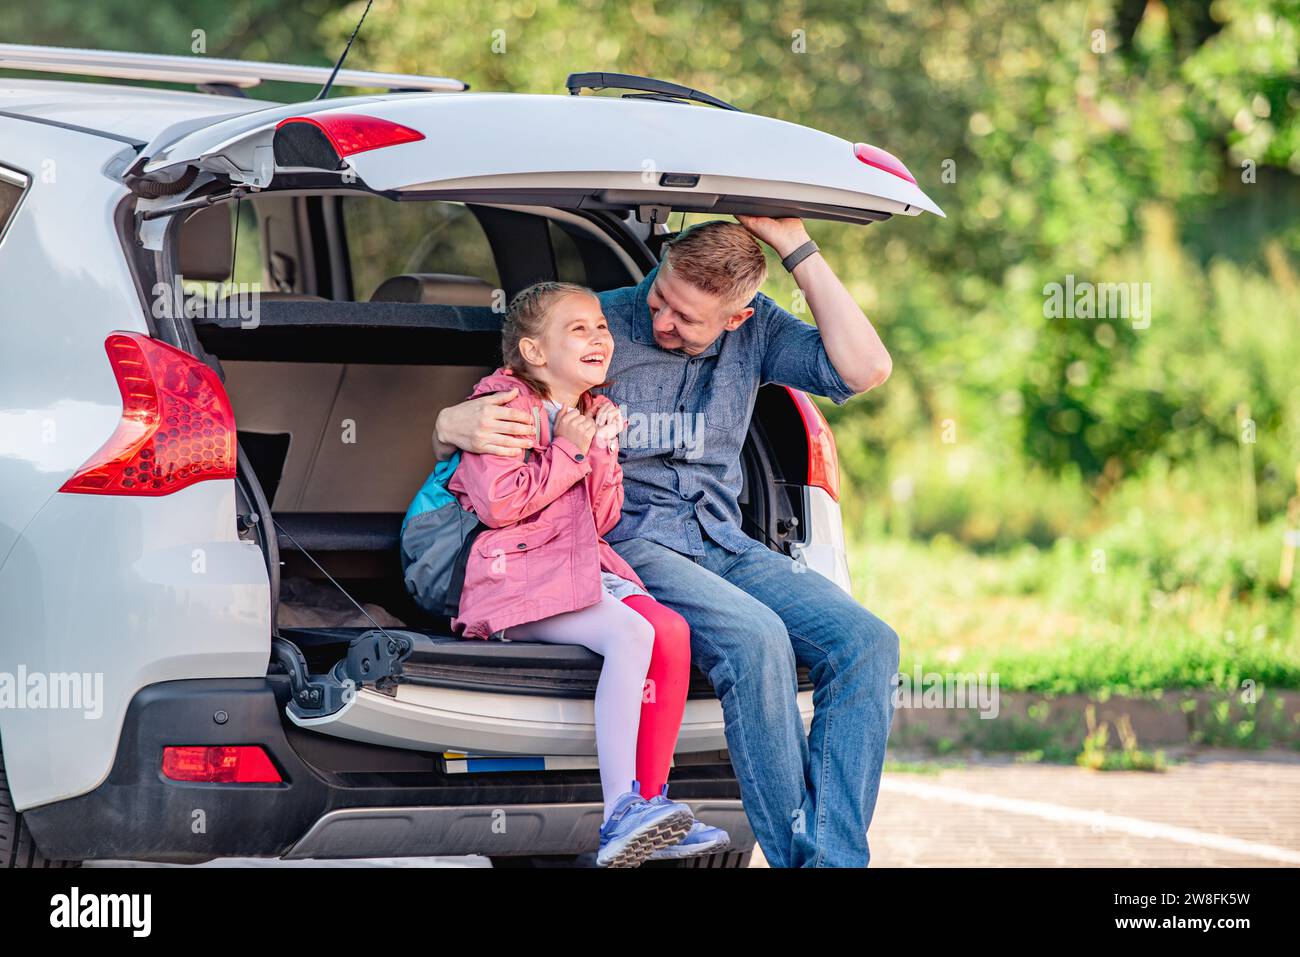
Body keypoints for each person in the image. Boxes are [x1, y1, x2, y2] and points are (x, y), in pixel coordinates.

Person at [436, 218, 900, 867]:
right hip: (633, 540)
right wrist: (448, 423)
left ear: (737, 318)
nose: (660, 322)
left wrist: (796, 244)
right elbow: (517, 389)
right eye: (660, 296)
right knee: (757, 639)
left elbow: (867, 366)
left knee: (869, 643)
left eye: (685, 319)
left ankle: (833, 857)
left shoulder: (758, 330)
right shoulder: (602, 326)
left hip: (723, 539)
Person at [447, 280, 730, 867]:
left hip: (572, 570)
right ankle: (617, 814)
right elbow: (500, 506)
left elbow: (602, 519)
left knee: (670, 630)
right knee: (632, 633)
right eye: (579, 329)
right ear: (534, 353)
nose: (600, 336)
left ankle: (652, 801)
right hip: (510, 582)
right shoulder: (502, 407)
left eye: (602, 326)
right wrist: (571, 453)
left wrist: (599, 453)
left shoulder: (595, 413)